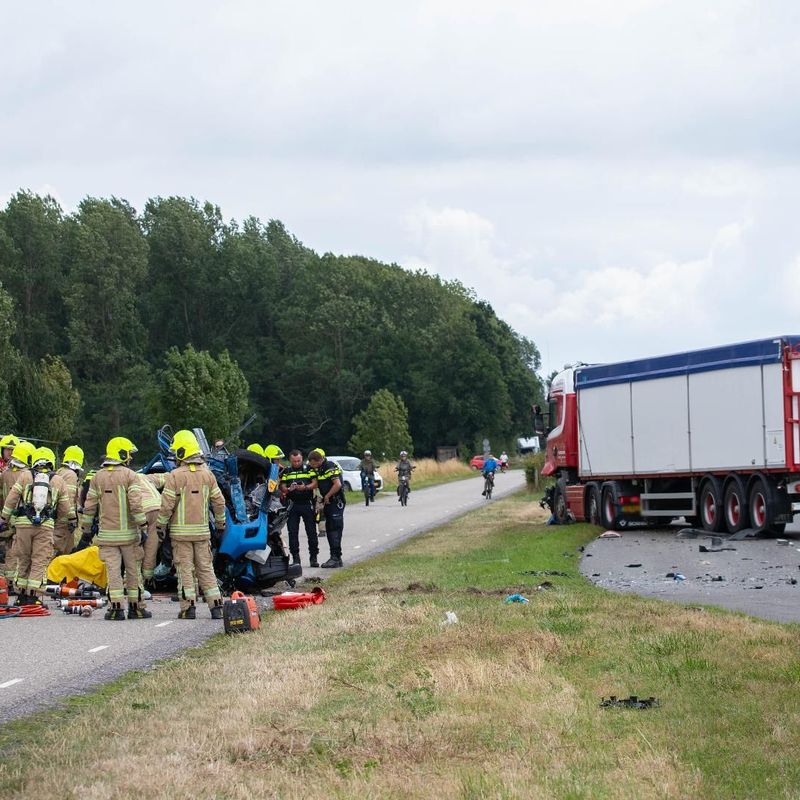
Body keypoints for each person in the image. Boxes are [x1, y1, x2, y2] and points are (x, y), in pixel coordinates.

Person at [158, 430, 226, 620]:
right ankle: (217, 607)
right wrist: (221, 525)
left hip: (180, 536)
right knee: (205, 569)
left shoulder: (175, 476)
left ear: (181, 452)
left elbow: (166, 506)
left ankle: (188, 608)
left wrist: (160, 527)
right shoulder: (208, 475)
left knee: (185, 571)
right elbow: (219, 502)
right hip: (202, 534)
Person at [81, 436, 150, 620]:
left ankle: (116, 609)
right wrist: (143, 527)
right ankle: (137, 609)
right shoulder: (130, 476)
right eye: (129, 454)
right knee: (133, 571)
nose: (131, 459)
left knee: (113, 572)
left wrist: (86, 530)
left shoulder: (97, 477)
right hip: (129, 536)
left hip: (107, 537)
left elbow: (89, 508)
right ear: (122, 453)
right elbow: (136, 505)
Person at [1, 447, 74, 606]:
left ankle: (20, 596)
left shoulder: (25, 475)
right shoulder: (58, 480)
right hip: (45, 526)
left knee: (23, 558)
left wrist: (4, 518)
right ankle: (33, 597)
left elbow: (12, 498)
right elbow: (65, 509)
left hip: (22, 525)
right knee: (39, 560)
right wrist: (65, 519)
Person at [0, 440, 35, 590]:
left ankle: (7, 581)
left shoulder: (5, 474)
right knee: (18, 553)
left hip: (6, 516)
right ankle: (16, 583)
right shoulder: (26, 475)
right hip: (22, 518)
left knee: (9, 550)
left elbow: (2, 497)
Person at [280, 450, 319, 567]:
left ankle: (313, 557)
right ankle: (296, 558)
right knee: (292, 532)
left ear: (302, 459)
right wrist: (287, 489)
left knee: (311, 532)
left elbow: (315, 483)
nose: (296, 463)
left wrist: (305, 487)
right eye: (294, 461)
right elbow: (282, 485)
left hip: (307, 503)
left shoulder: (309, 469)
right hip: (292, 504)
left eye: (298, 461)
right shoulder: (286, 471)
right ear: (290, 460)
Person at [307, 448, 345, 568]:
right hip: (328, 503)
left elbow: (337, 484)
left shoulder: (329, 466)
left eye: (313, 464)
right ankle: (337, 557)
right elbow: (319, 483)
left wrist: (328, 495)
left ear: (318, 460)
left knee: (334, 529)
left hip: (335, 501)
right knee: (330, 529)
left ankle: (335, 558)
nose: (312, 467)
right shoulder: (320, 469)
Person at [53, 445, 84, 556]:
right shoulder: (71, 475)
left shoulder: (59, 472)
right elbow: (69, 499)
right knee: (61, 550)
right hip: (64, 520)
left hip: (57, 517)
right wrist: (72, 519)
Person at [137, 471, 166, 586]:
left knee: (135, 546)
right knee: (152, 547)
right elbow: (167, 477)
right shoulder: (145, 477)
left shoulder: (124, 479)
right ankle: (147, 579)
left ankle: (133, 581)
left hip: (141, 511)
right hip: (159, 509)